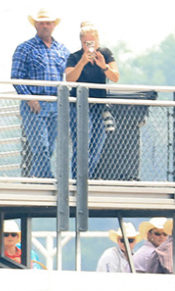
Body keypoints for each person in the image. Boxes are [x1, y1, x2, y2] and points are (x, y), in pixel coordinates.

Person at [11, 8, 69, 178]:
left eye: (48, 23)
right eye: (42, 23)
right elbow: (16, 77)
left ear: (53, 25)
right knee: (40, 147)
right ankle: (47, 180)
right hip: (34, 105)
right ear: (36, 25)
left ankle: (35, 179)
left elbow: (70, 76)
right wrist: (30, 99)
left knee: (49, 148)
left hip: (56, 104)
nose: (45, 26)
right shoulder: (25, 48)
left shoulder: (62, 50)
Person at [64, 21, 118, 177]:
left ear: (98, 41)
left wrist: (104, 66)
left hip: (99, 106)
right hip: (79, 106)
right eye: (86, 43)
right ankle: (77, 179)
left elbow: (115, 77)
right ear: (81, 42)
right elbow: (69, 79)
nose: (90, 46)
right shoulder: (74, 57)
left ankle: (87, 178)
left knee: (96, 146)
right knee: (81, 145)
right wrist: (82, 62)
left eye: (92, 42)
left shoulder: (105, 54)